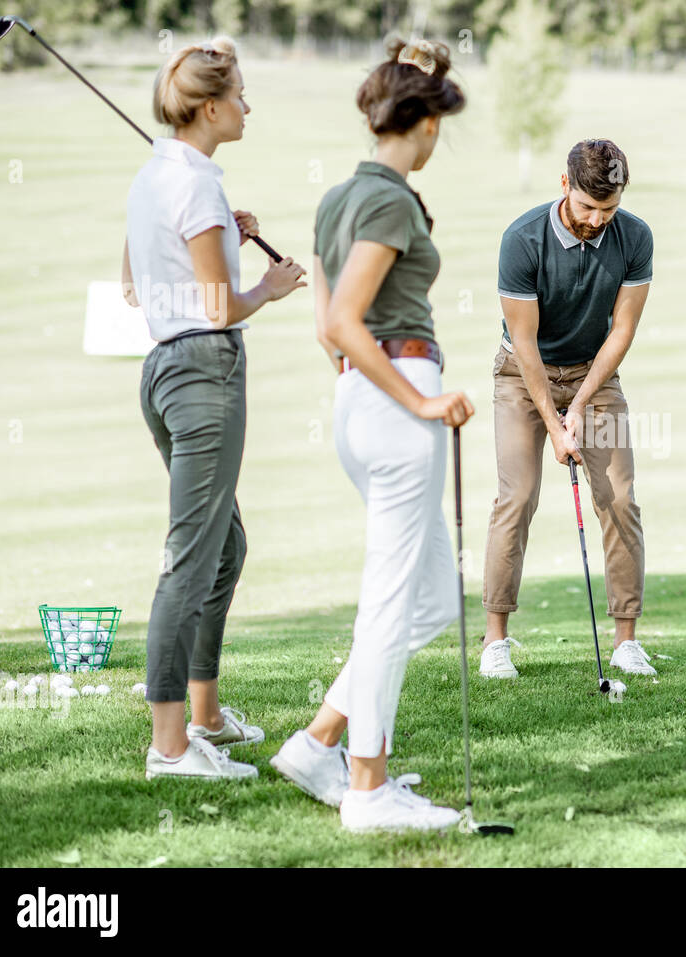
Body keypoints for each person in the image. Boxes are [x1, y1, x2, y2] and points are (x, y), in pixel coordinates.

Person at [269, 37, 475, 833]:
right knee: (392, 601)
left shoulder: (336, 199)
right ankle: (367, 789)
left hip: (362, 402)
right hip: (399, 395)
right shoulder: (389, 199)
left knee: (427, 599)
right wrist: (418, 404)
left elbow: (327, 327)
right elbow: (348, 320)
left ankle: (322, 742)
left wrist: (371, 390)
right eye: (437, 127)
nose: (436, 143)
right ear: (420, 123)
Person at [125, 37, 307, 780]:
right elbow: (219, 305)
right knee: (191, 558)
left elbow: (138, 279)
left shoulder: (155, 178)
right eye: (239, 97)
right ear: (208, 107)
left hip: (165, 373)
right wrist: (272, 285)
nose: (247, 107)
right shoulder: (192, 184)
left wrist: (217, 231)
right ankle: (170, 746)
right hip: (203, 371)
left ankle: (203, 714)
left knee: (224, 548)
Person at [479, 139, 656, 680]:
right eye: (586, 207)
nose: (597, 220)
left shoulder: (635, 237)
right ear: (564, 186)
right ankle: (495, 642)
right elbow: (525, 345)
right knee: (519, 495)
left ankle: (626, 640)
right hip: (520, 373)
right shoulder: (522, 239)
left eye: (608, 209)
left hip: (593, 374)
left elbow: (622, 331)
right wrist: (554, 424)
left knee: (619, 497)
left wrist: (577, 405)